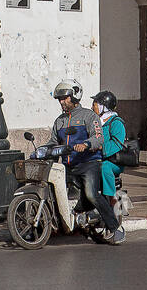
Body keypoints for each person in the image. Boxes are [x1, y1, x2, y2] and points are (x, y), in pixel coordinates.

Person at [46, 80, 123, 244]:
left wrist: (86, 144)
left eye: (64, 98)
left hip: (88, 164)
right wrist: (43, 151)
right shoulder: (59, 121)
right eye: (59, 99)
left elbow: (98, 138)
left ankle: (115, 228)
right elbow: (53, 142)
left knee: (91, 194)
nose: (61, 102)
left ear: (75, 96)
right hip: (67, 166)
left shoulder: (89, 116)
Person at [92, 90, 127, 198]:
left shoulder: (116, 122)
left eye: (95, 105)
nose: (93, 107)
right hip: (97, 158)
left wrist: (101, 148)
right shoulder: (95, 122)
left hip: (113, 161)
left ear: (104, 107)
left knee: (105, 167)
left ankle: (111, 198)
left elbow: (117, 144)